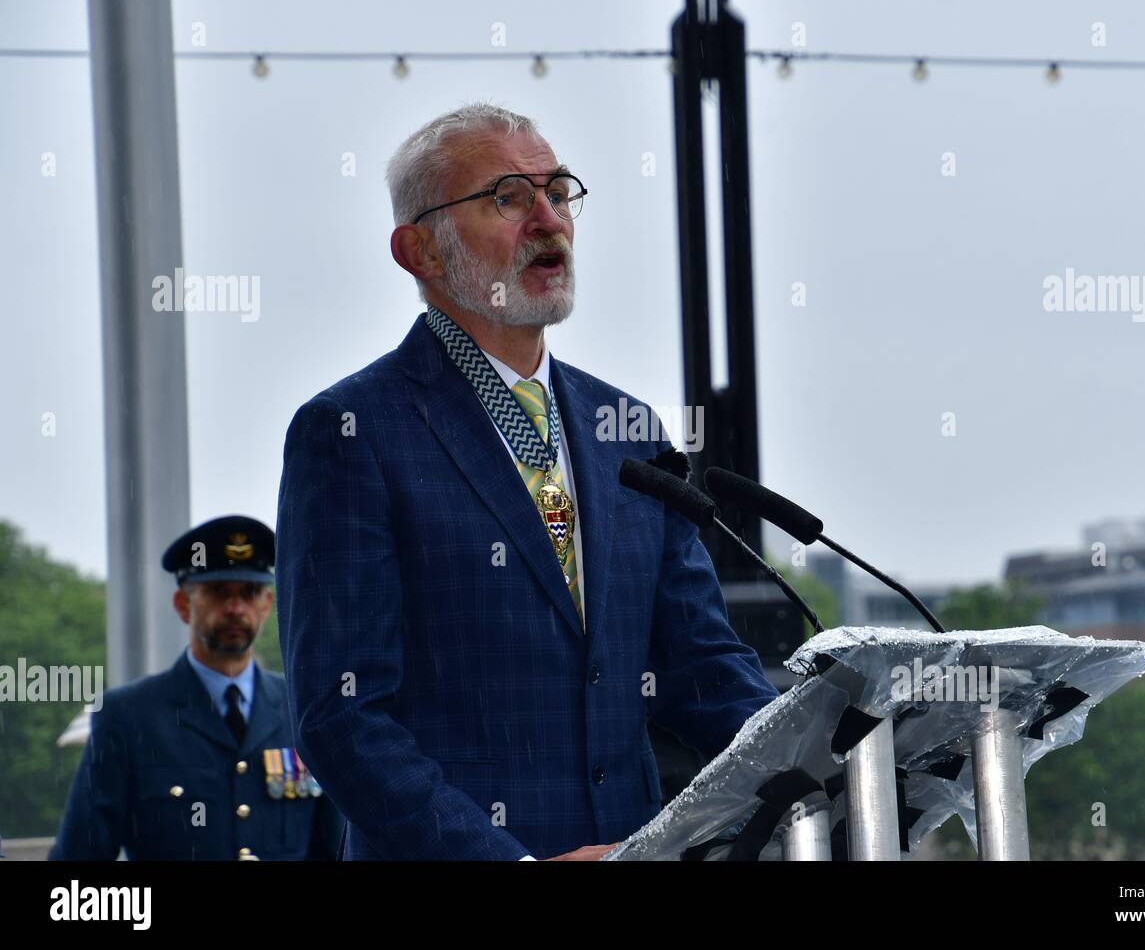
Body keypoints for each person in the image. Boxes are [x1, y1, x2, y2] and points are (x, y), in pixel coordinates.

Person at [275, 102, 779, 861]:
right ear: (422, 253)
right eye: (509, 197)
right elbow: (342, 719)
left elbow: (700, 665)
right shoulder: (352, 433)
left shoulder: (628, 429)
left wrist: (820, 761)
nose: (549, 220)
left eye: (560, 190)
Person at [50, 515, 343, 861]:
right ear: (183, 605)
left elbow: (335, 849)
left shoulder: (303, 710)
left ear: (266, 605)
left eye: (249, 593)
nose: (235, 609)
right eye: (219, 592)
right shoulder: (128, 716)